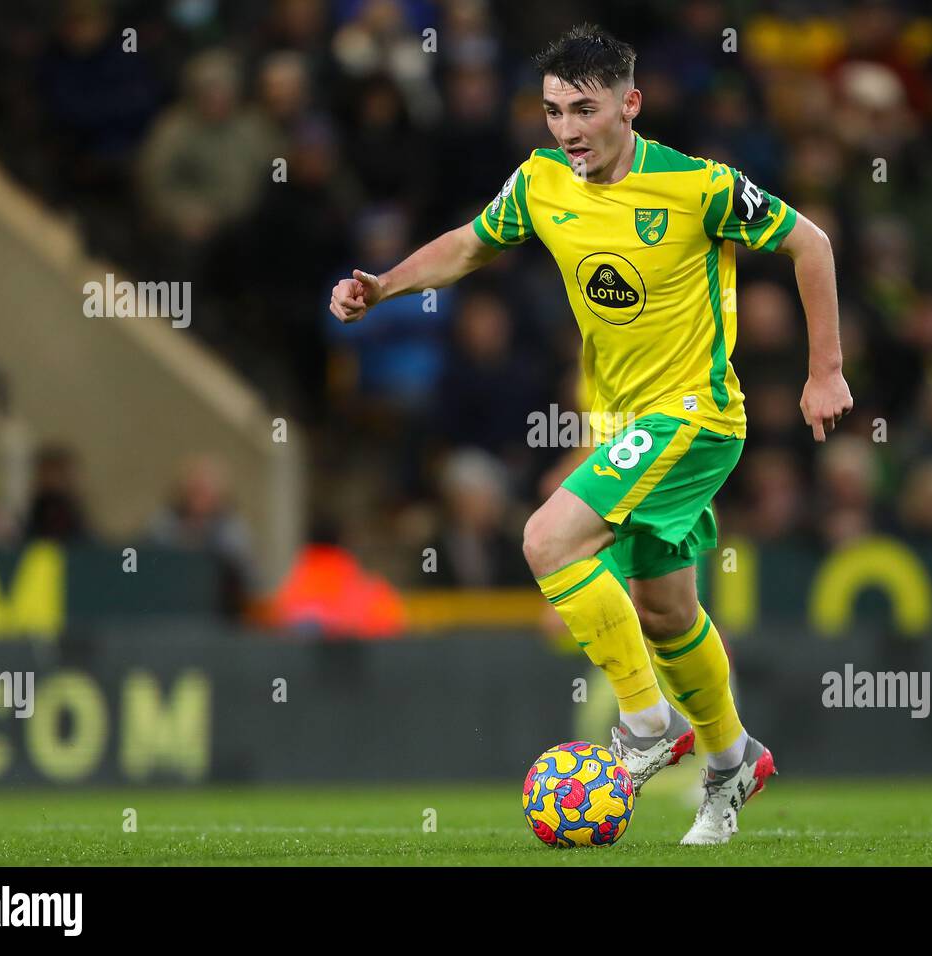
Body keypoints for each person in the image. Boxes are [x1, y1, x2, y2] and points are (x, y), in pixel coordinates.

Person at [329, 24, 852, 844]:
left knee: (546, 541)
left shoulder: (699, 186)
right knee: (666, 609)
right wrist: (385, 285)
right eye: (551, 111)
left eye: (584, 109)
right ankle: (732, 759)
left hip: (697, 414)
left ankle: (646, 727)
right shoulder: (541, 182)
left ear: (629, 105)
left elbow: (809, 243)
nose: (567, 129)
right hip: (626, 424)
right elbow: (469, 244)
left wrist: (824, 371)